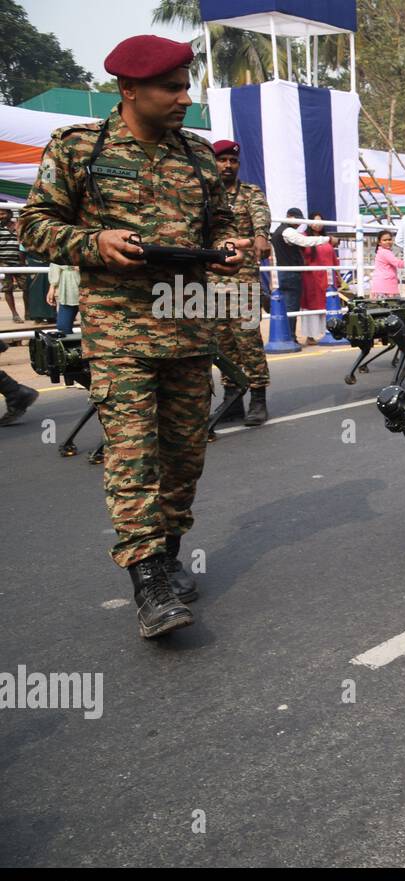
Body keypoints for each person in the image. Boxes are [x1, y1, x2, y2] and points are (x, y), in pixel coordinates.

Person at [18, 34, 244, 638]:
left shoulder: (197, 155)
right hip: (119, 331)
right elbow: (34, 224)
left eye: (185, 85)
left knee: (184, 457)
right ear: (128, 89)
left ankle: (168, 555)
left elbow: (220, 220)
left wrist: (227, 248)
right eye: (171, 88)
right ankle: (149, 581)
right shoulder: (78, 148)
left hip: (189, 323)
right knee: (132, 454)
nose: (183, 98)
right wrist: (94, 243)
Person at [209, 139, 272, 425]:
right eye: (222, 160)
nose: (227, 165)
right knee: (222, 342)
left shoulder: (250, 192)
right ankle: (232, 397)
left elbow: (261, 215)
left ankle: (258, 398)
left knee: (248, 338)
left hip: (244, 278)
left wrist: (261, 235)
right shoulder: (204, 194)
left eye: (232, 161)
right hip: (211, 279)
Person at [270, 206, 334, 343]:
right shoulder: (288, 231)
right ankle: (290, 338)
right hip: (290, 272)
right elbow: (306, 242)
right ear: (290, 217)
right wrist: (327, 239)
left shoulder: (278, 231)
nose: (299, 223)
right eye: (297, 219)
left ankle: (288, 336)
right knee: (291, 306)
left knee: (288, 306)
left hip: (284, 272)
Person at [299, 212, 338, 343]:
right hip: (311, 278)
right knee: (311, 305)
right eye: (315, 221)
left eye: (320, 221)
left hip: (328, 278)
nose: (318, 224)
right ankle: (310, 336)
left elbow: (333, 259)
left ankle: (328, 332)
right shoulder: (303, 238)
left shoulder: (327, 238)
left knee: (327, 304)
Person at [0, 208, 25, 321]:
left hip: (19, 262)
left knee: (26, 287)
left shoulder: (18, 226)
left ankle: (28, 312)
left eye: (3, 213)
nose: (1, 216)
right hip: (4, 263)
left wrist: (23, 261)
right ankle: (15, 314)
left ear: (10, 214)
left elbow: (23, 243)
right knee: (8, 289)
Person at [46, 260, 80, 333]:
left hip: (93, 281)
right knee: (63, 326)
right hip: (68, 287)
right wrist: (52, 286)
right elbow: (55, 261)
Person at [370, 230, 403, 297]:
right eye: (385, 240)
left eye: (389, 239)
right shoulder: (385, 252)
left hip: (381, 286)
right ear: (379, 242)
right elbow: (397, 263)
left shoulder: (381, 251)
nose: (388, 242)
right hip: (385, 287)